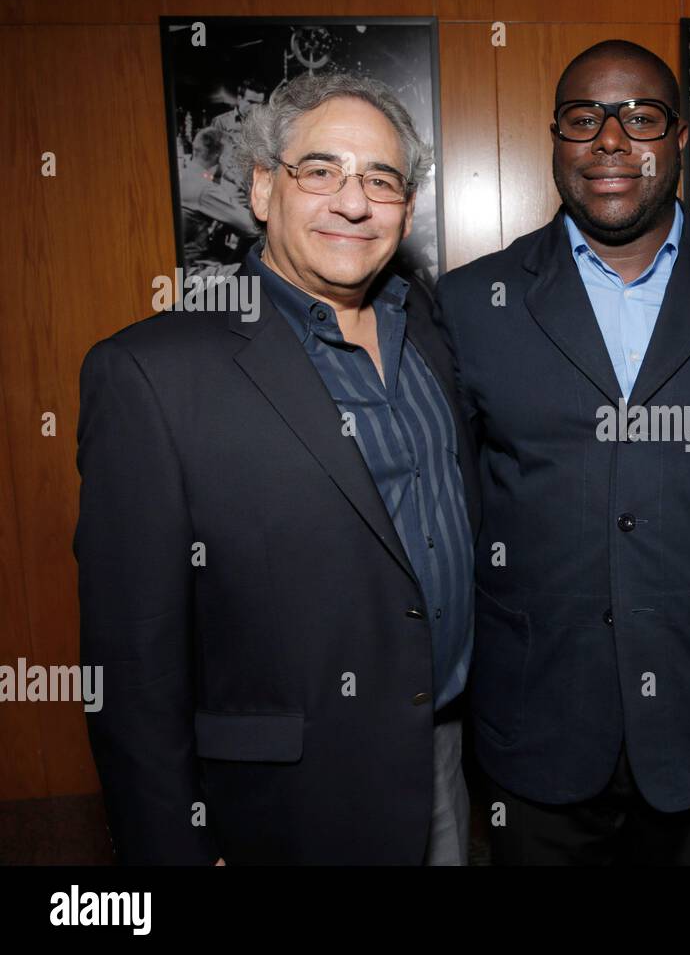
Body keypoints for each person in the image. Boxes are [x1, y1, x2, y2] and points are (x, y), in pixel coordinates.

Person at [76, 72, 478, 865]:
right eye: (320, 171)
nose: (353, 203)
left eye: (381, 180)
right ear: (264, 189)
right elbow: (131, 662)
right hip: (282, 799)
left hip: (443, 754)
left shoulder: (427, 326)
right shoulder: (153, 374)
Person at [431, 39, 690, 865]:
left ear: (679, 138)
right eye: (583, 117)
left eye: (640, 117)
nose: (610, 139)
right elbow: (453, 515)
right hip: (537, 719)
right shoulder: (468, 305)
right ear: (556, 139)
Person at [178, 126, 258, 273]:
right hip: (195, 269)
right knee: (262, 275)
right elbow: (252, 227)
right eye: (229, 156)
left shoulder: (186, 175)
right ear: (219, 157)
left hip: (184, 261)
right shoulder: (205, 189)